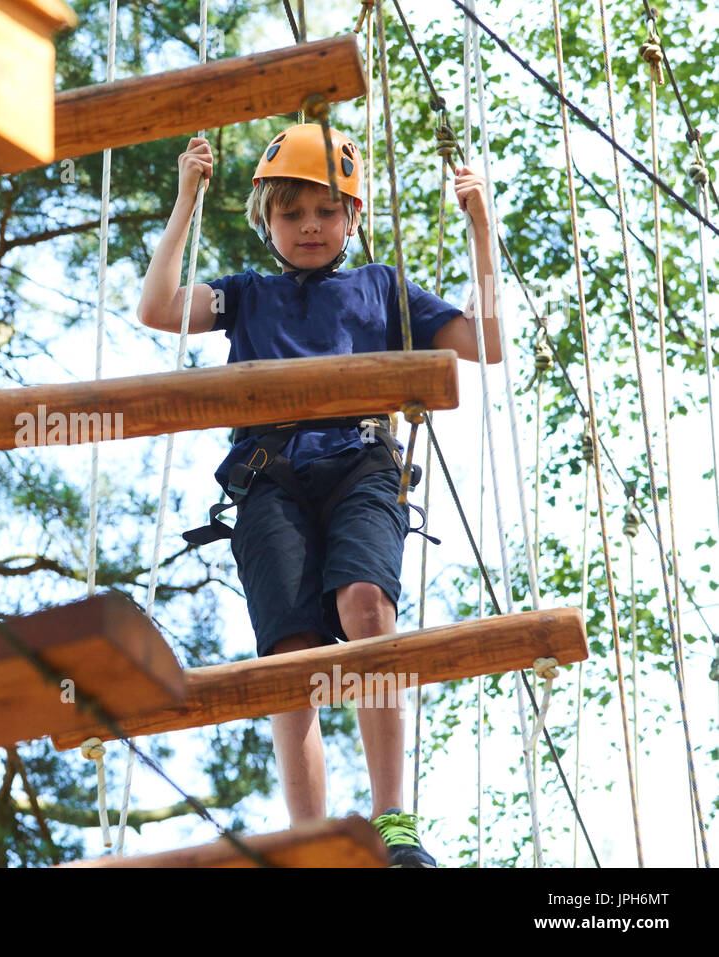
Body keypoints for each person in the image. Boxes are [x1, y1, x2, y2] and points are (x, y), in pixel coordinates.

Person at [136, 123, 501, 868]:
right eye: (292, 213)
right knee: (292, 653)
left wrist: (482, 229)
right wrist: (186, 201)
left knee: (366, 603)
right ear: (268, 223)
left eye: (327, 212)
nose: (310, 226)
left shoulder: (383, 288)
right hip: (269, 474)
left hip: (362, 461)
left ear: (353, 218)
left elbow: (485, 339)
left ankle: (392, 818)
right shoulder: (247, 296)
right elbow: (159, 308)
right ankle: (308, 841)